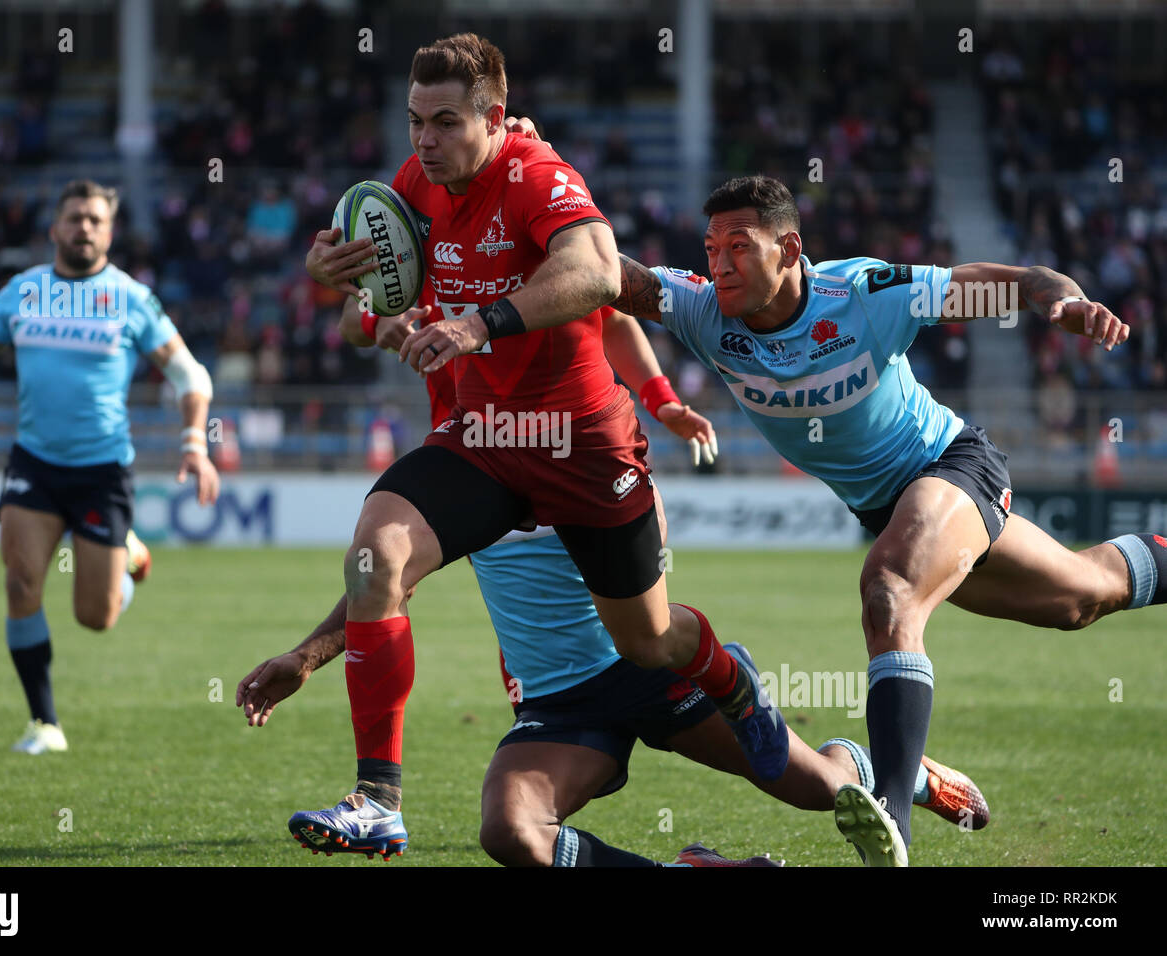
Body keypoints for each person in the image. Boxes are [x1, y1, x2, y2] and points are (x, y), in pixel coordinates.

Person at [237, 299, 988, 865]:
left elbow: (613, 312)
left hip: (653, 674)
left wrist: (660, 405)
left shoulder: (583, 430)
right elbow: (386, 576)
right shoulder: (462, 467)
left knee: (825, 789)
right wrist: (303, 656)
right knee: (511, 835)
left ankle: (891, 767)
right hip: (558, 703)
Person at [298, 34, 787, 837]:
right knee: (376, 556)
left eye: (446, 122)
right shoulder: (414, 184)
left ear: (494, 118)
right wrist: (335, 277)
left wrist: (478, 329)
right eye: (415, 121)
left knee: (648, 641)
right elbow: (364, 319)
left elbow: (600, 283)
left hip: (578, 446)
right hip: (484, 439)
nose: (425, 140)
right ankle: (377, 800)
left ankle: (736, 688)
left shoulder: (537, 177)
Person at [609, 173, 1162, 865]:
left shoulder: (866, 293)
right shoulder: (700, 309)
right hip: (891, 510)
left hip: (953, 468)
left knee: (890, 589)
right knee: (1082, 596)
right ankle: (901, 774)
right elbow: (608, 273)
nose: (719, 264)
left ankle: (893, 826)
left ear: (788, 249)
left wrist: (1066, 302)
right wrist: (543, 198)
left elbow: (1020, 280)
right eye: (711, 247)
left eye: (738, 247)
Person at [0, 179, 220, 754]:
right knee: (21, 582)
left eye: (95, 220)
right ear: (54, 228)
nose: (84, 228)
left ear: (110, 232)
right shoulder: (22, 293)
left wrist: (195, 443)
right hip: (35, 465)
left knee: (94, 618)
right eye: (74, 218)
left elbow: (191, 376)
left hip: (102, 472)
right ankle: (43, 723)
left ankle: (130, 560)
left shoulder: (131, 299)